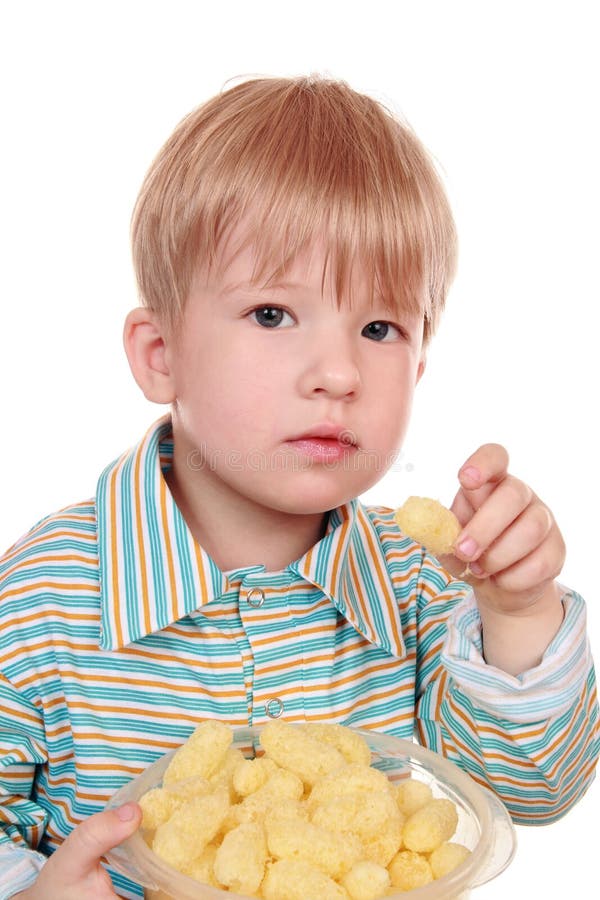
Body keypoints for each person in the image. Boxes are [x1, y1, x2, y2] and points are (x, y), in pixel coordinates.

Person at [0, 75, 597, 900]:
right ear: (160, 354)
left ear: (420, 363)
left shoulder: (423, 587)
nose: (338, 373)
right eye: (274, 314)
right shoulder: (40, 599)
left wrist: (518, 613)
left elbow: (531, 793)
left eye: (380, 328)